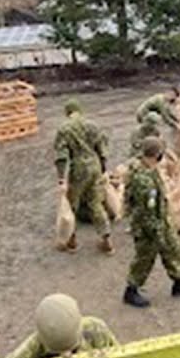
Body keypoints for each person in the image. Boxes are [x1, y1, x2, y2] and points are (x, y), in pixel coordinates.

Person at [122, 137, 180, 308]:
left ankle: (178, 282)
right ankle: (131, 290)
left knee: (172, 250)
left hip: (160, 220)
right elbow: (147, 212)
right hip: (148, 226)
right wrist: (157, 233)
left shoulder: (147, 167)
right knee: (144, 258)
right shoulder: (144, 180)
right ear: (156, 155)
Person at [54, 98, 114, 254]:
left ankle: (72, 241)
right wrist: (103, 169)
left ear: (67, 112)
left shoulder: (64, 129)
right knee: (96, 203)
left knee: (72, 204)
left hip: (78, 168)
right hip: (94, 166)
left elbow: (62, 156)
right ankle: (106, 239)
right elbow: (102, 149)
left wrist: (61, 178)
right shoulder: (92, 125)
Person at [2, 294, 119, 358]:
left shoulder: (95, 329)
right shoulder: (30, 350)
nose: (66, 356)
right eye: (58, 353)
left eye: (73, 350)